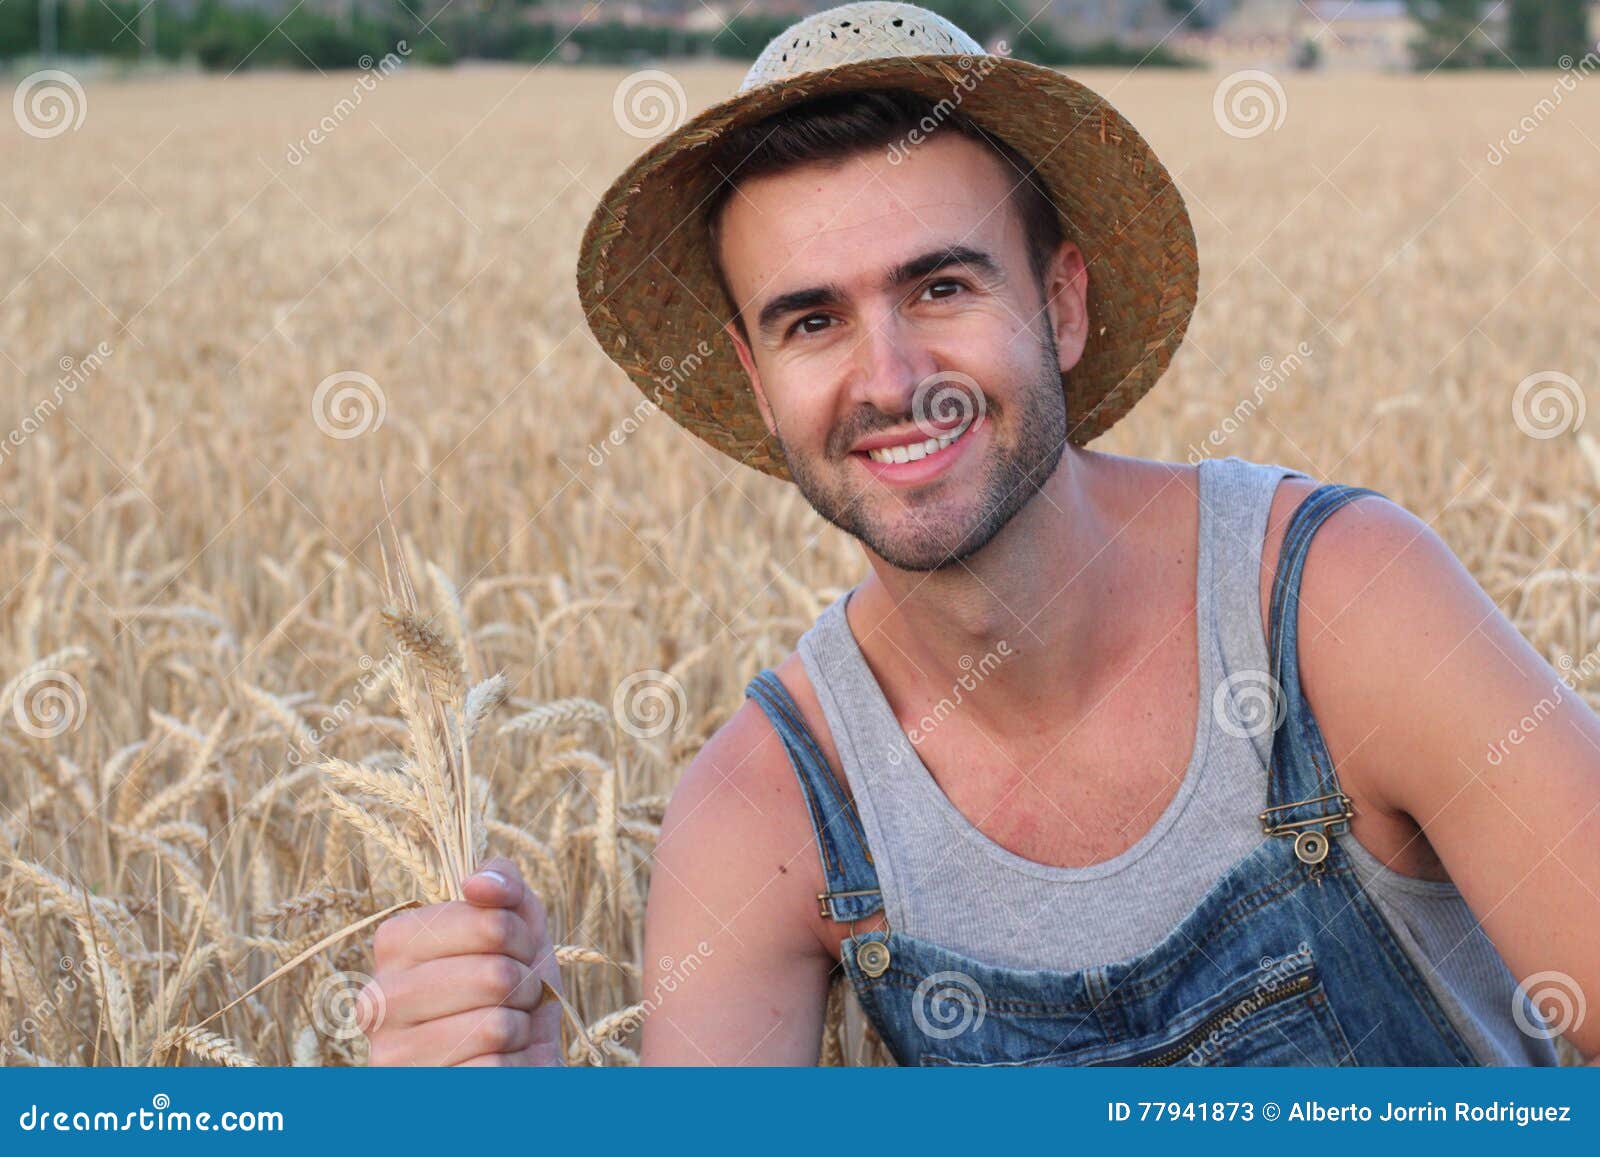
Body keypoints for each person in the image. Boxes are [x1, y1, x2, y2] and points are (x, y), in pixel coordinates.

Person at [360, 2, 1600, 1066]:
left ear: (1059, 302)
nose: (891, 377)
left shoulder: (1333, 603)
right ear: (752, 377)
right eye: (811, 322)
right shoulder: (769, 810)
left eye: (940, 287)